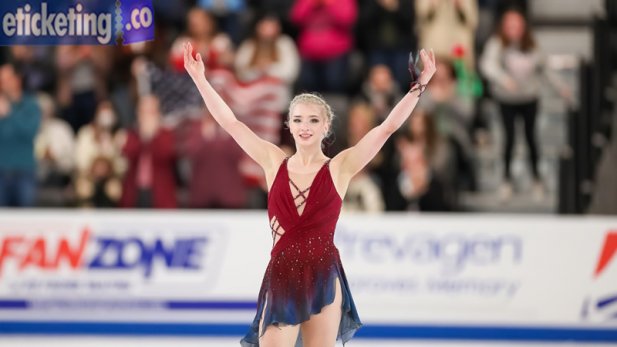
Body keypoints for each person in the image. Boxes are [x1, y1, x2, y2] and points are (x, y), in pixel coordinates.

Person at [184, 41, 436, 346]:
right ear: (289, 125)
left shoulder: (340, 167)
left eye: (313, 120)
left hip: (323, 276)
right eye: (299, 120)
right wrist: (200, 80)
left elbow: (386, 128)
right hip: (282, 275)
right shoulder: (272, 160)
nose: (305, 127)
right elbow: (230, 122)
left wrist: (421, 83)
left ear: (325, 126)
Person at [480, 8, 570, 201]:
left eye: (517, 25)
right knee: (509, 139)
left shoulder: (532, 45)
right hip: (506, 100)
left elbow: (545, 69)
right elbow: (487, 65)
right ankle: (506, 180)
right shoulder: (496, 44)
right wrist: (504, 80)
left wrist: (561, 87)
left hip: (529, 98)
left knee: (531, 138)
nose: (514, 29)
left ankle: (537, 179)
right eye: (510, 25)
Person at [0, 61, 41, 207]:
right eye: (1, 80)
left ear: (17, 79)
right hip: (1, 170)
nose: (3, 84)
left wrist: (9, 113)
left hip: (24, 170)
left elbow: (30, 132)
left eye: (6, 79)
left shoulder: (31, 104)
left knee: (26, 220)